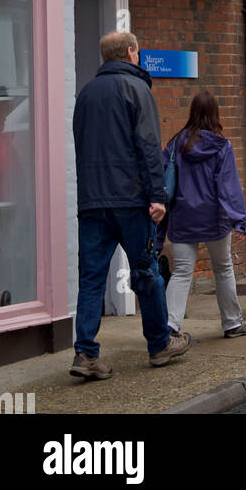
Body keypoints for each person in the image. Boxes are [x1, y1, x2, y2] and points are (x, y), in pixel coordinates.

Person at [71, 31, 192, 378]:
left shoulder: (85, 94)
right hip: (131, 201)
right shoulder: (137, 89)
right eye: (137, 50)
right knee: (146, 271)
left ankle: (86, 354)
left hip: (93, 201)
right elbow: (149, 147)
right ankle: (159, 345)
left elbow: (81, 147)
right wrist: (158, 197)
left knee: (91, 278)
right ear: (130, 52)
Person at [163, 91, 246, 339]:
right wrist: (238, 220)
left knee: (181, 272)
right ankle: (232, 324)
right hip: (215, 218)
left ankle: (169, 327)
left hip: (183, 217)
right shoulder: (221, 146)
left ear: (192, 112)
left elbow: (162, 179)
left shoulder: (175, 145)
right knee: (223, 268)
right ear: (215, 113)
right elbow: (229, 186)